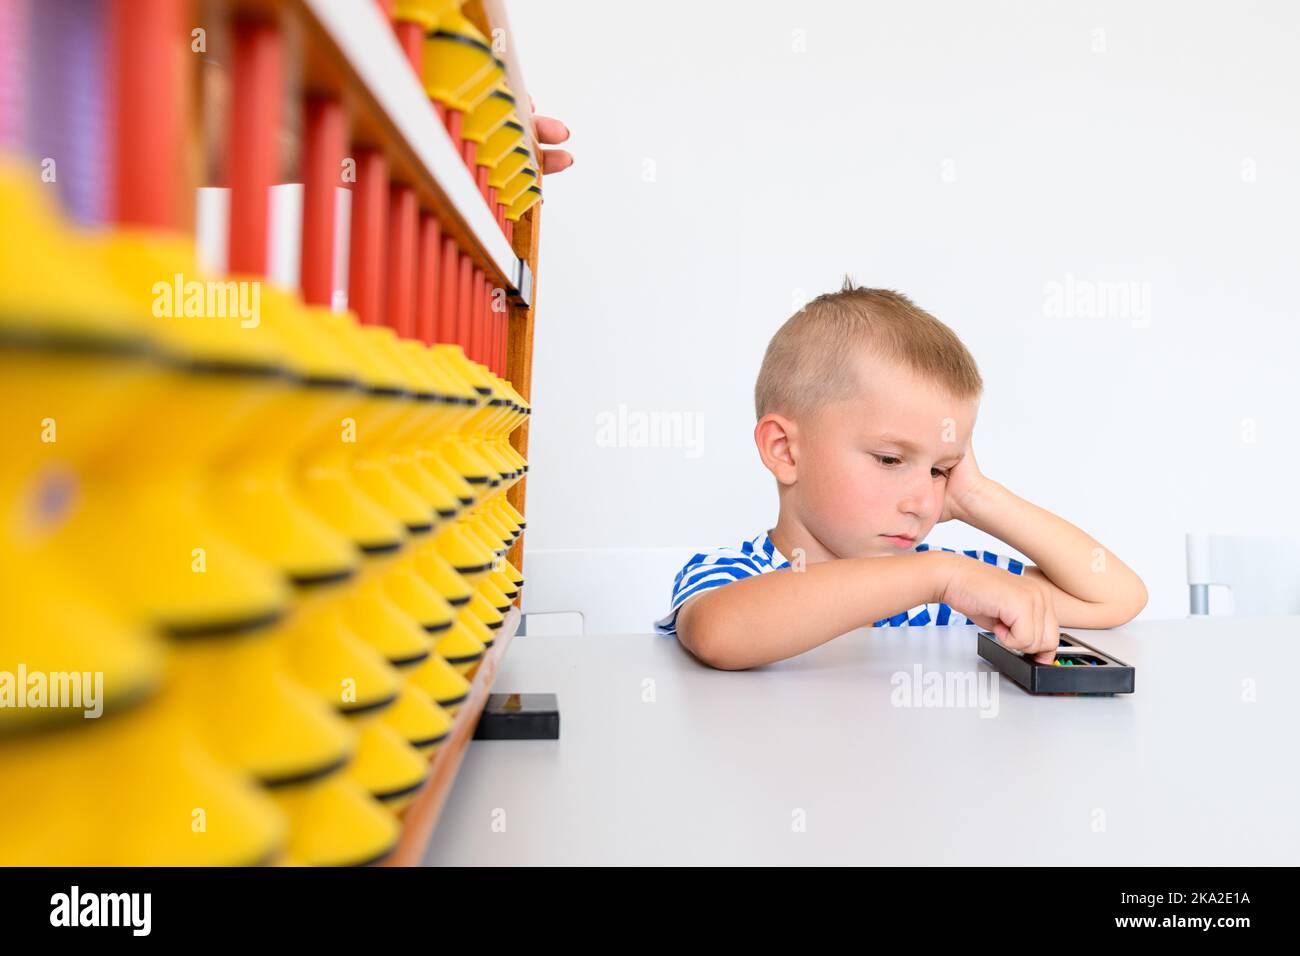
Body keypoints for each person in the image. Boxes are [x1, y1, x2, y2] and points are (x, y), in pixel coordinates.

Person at [654, 281, 1148, 670]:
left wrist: (978, 496)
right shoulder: (735, 575)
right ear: (784, 450)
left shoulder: (957, 585)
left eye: (939, 469)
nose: (923, 503)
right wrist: (939, 578)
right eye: (891, 460)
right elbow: (719, 634)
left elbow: (1115, 596)